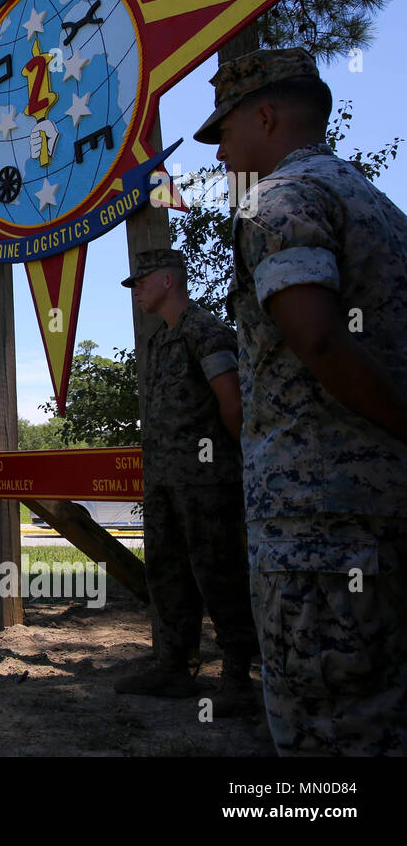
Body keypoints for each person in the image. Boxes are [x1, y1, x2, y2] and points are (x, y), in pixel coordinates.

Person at [196, 47, 407, 755]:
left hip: (317, 529)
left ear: (266, 114)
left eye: (223, 132)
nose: (221, 153)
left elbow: (317, 341)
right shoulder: (379, 207)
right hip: (382, 514)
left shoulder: (278, 200)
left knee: (324, 735)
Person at [114, 250, 257, 714]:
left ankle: (239, 677)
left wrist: (242, 467)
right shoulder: (158, 342)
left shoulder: (207, 332)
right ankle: (175, 667)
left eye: (141, 281)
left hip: (206, 482)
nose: (135, 289)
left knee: (219, 573)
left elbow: (232, 405)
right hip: (163, 482)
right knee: (167, 572)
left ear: (169, 281)